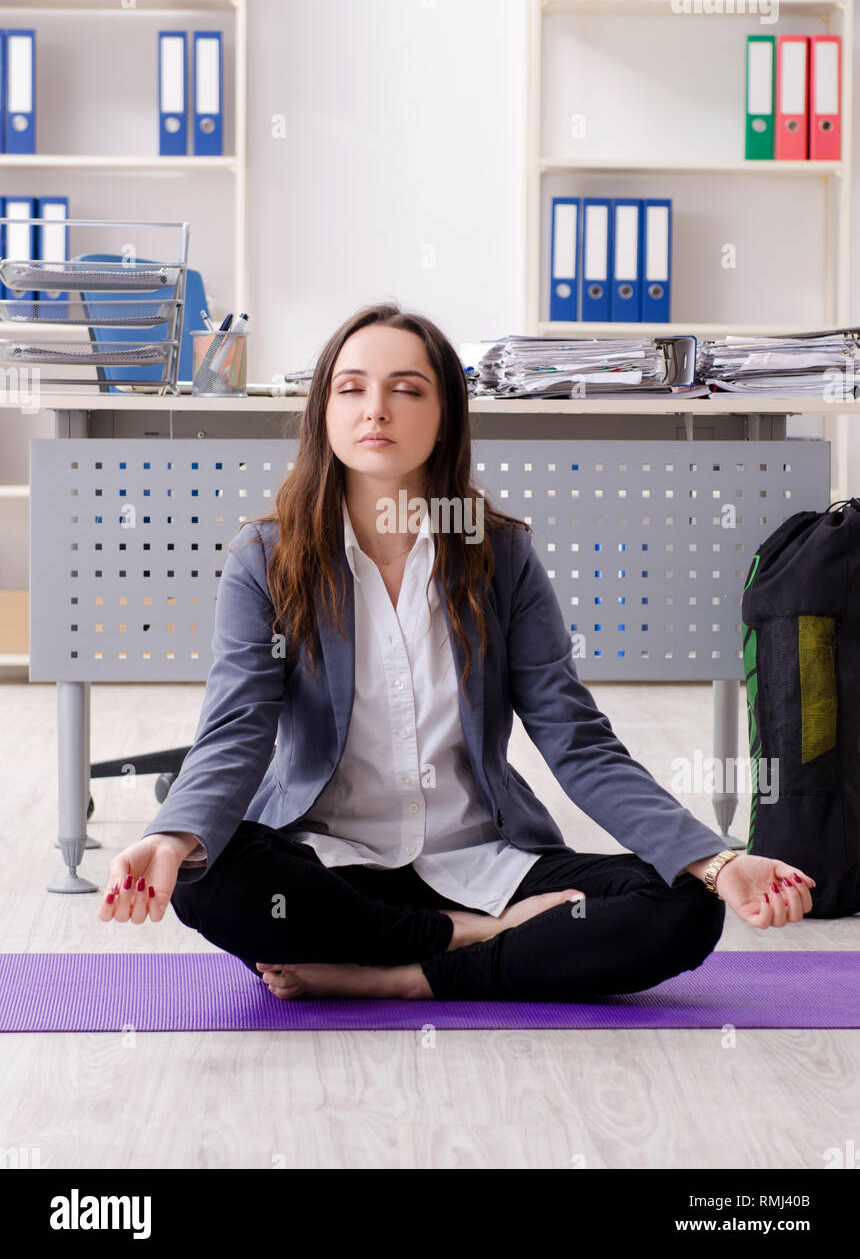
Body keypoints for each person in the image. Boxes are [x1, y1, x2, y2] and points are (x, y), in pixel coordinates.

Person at [97, 301, 817, 1002]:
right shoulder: (265, 558)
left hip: (480, 861)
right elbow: (238, 728)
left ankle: (402, 974)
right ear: (324, 412)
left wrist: (715, 861)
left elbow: (576, 740)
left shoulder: (501, 555)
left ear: (445, 417)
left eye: (406, 390)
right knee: (207, 875)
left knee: (683, 905)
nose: (376, 410)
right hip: (326, 865)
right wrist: (172, 838)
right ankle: (469, 940)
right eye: (352, 389)